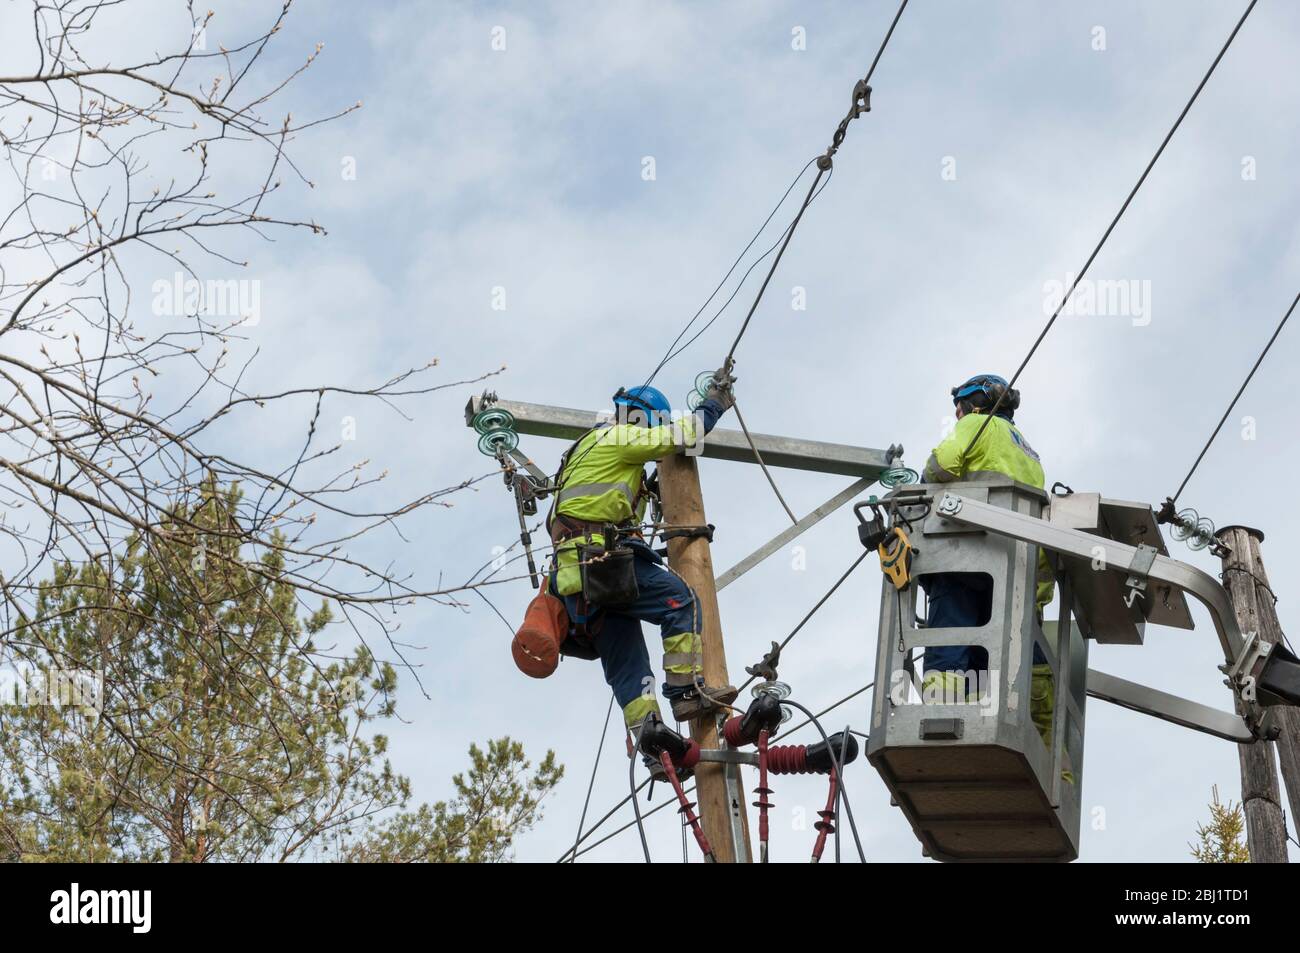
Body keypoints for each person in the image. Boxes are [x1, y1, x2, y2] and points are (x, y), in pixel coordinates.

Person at [547, 369, 738, 745]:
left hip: (575, 583)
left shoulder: (580, 451)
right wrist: (714, 403)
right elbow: (687, 435)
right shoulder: (620, 436)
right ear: (643, 419)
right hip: (601, 564)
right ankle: (686, 692)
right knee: (682, 603)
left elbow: (596, 508)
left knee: (629, 665)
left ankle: (653, 746)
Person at [922, 374, 1058, 749]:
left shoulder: (974, 424)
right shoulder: (1030, 453)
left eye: (959, 407)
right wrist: (1038, 598)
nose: (957, 414)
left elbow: (941, 465)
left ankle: (942, 726)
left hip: (966, 555)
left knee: (952, 642)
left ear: (973, 404)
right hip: (1014, 573)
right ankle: (1036, 747)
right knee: (1003, 653)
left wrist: (924, 490)